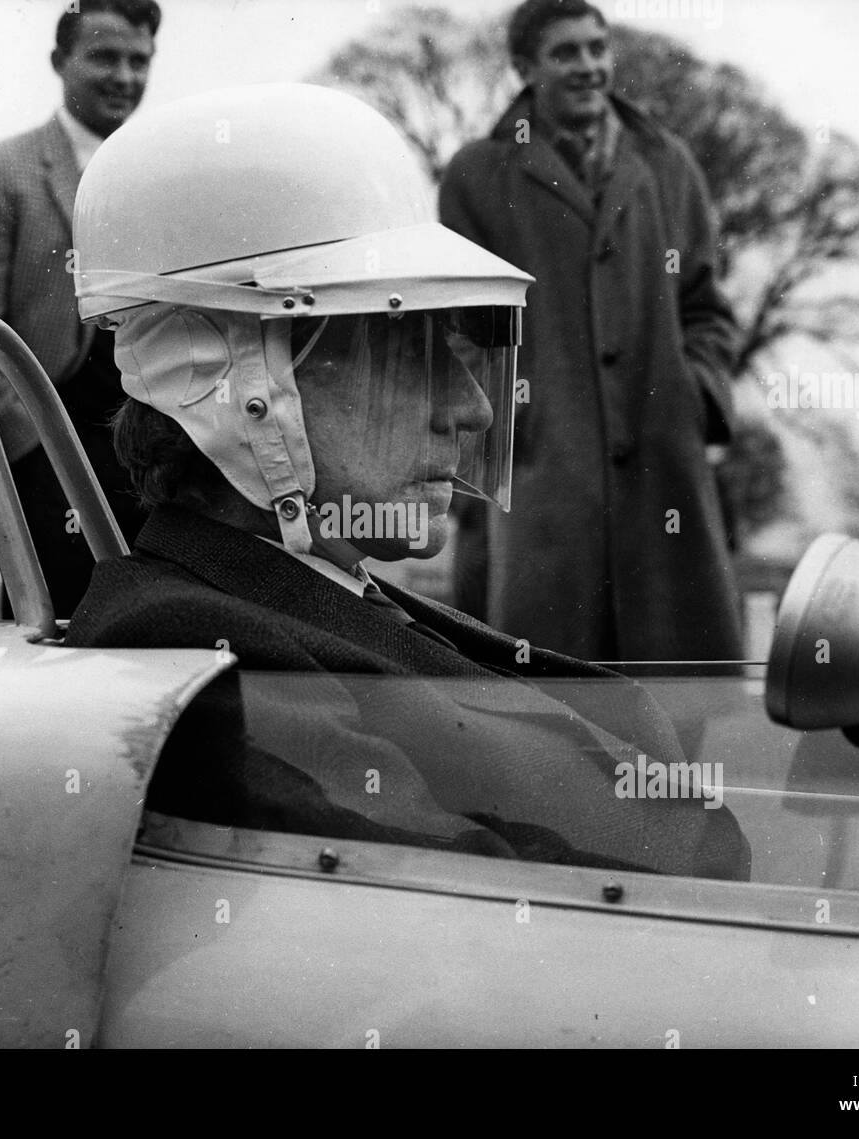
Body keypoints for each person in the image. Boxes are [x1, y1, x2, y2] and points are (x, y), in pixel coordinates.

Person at [62, 83, 749, 881]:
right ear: (241, 386)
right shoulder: (199, 650)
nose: (476, 407)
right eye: (405, 356)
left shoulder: (320, 584)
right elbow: (485, 927)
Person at [438, 0, 743, 662]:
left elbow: (706, 306)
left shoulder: (669, 165)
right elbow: (456, 331)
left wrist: (693, 396)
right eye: (566, 52)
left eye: (598, 48)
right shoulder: (477, 174)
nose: (589, 66)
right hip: (537, 479)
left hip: (664, 472)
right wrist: (514, 416)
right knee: (543, 705)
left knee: (674, 708)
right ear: (524, 67)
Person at [0, 0, 160, 616]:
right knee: (59, 643)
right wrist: (37, 455)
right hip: (49, 452)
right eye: (104, 56)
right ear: (60, 61)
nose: (124, 77)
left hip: (155, 451)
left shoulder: (164, 176)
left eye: (139, 60)